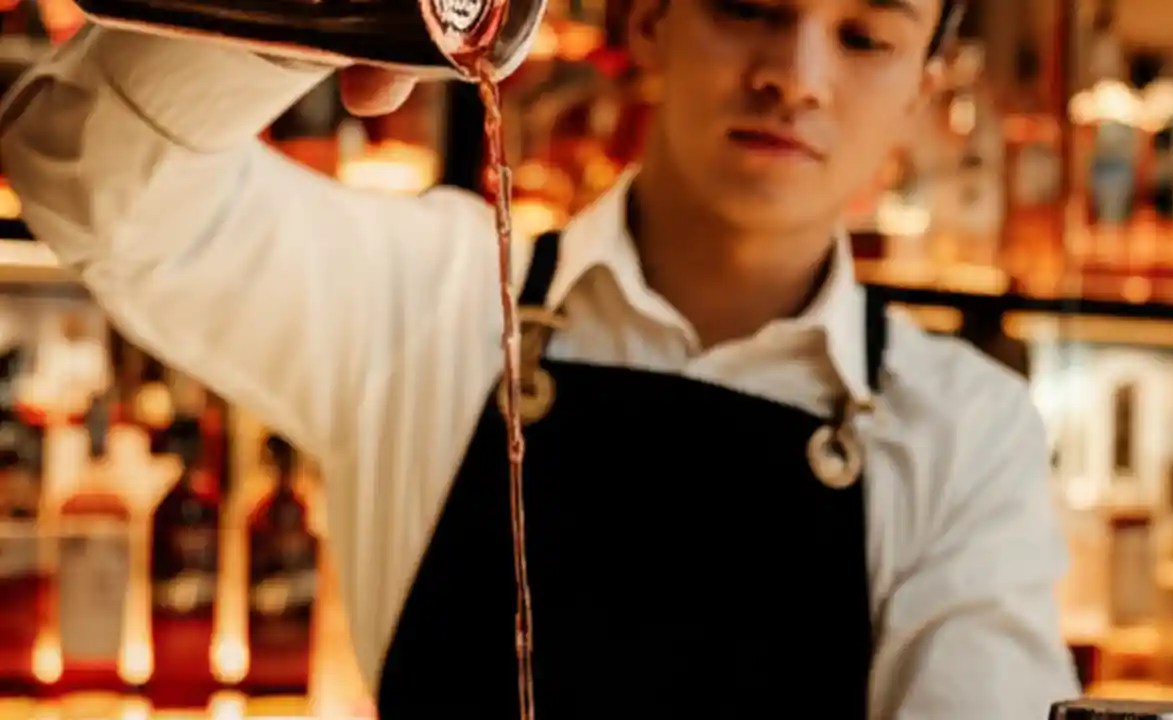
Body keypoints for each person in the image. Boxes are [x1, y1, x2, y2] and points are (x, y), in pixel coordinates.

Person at [0, 0, 1081, 717]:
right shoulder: (428, 298)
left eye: (864, 37)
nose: (793, 78)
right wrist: (303, 11)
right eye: (751, 6)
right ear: (648, 19)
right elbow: (82, 172)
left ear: (927, 81)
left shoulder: (962, 430)